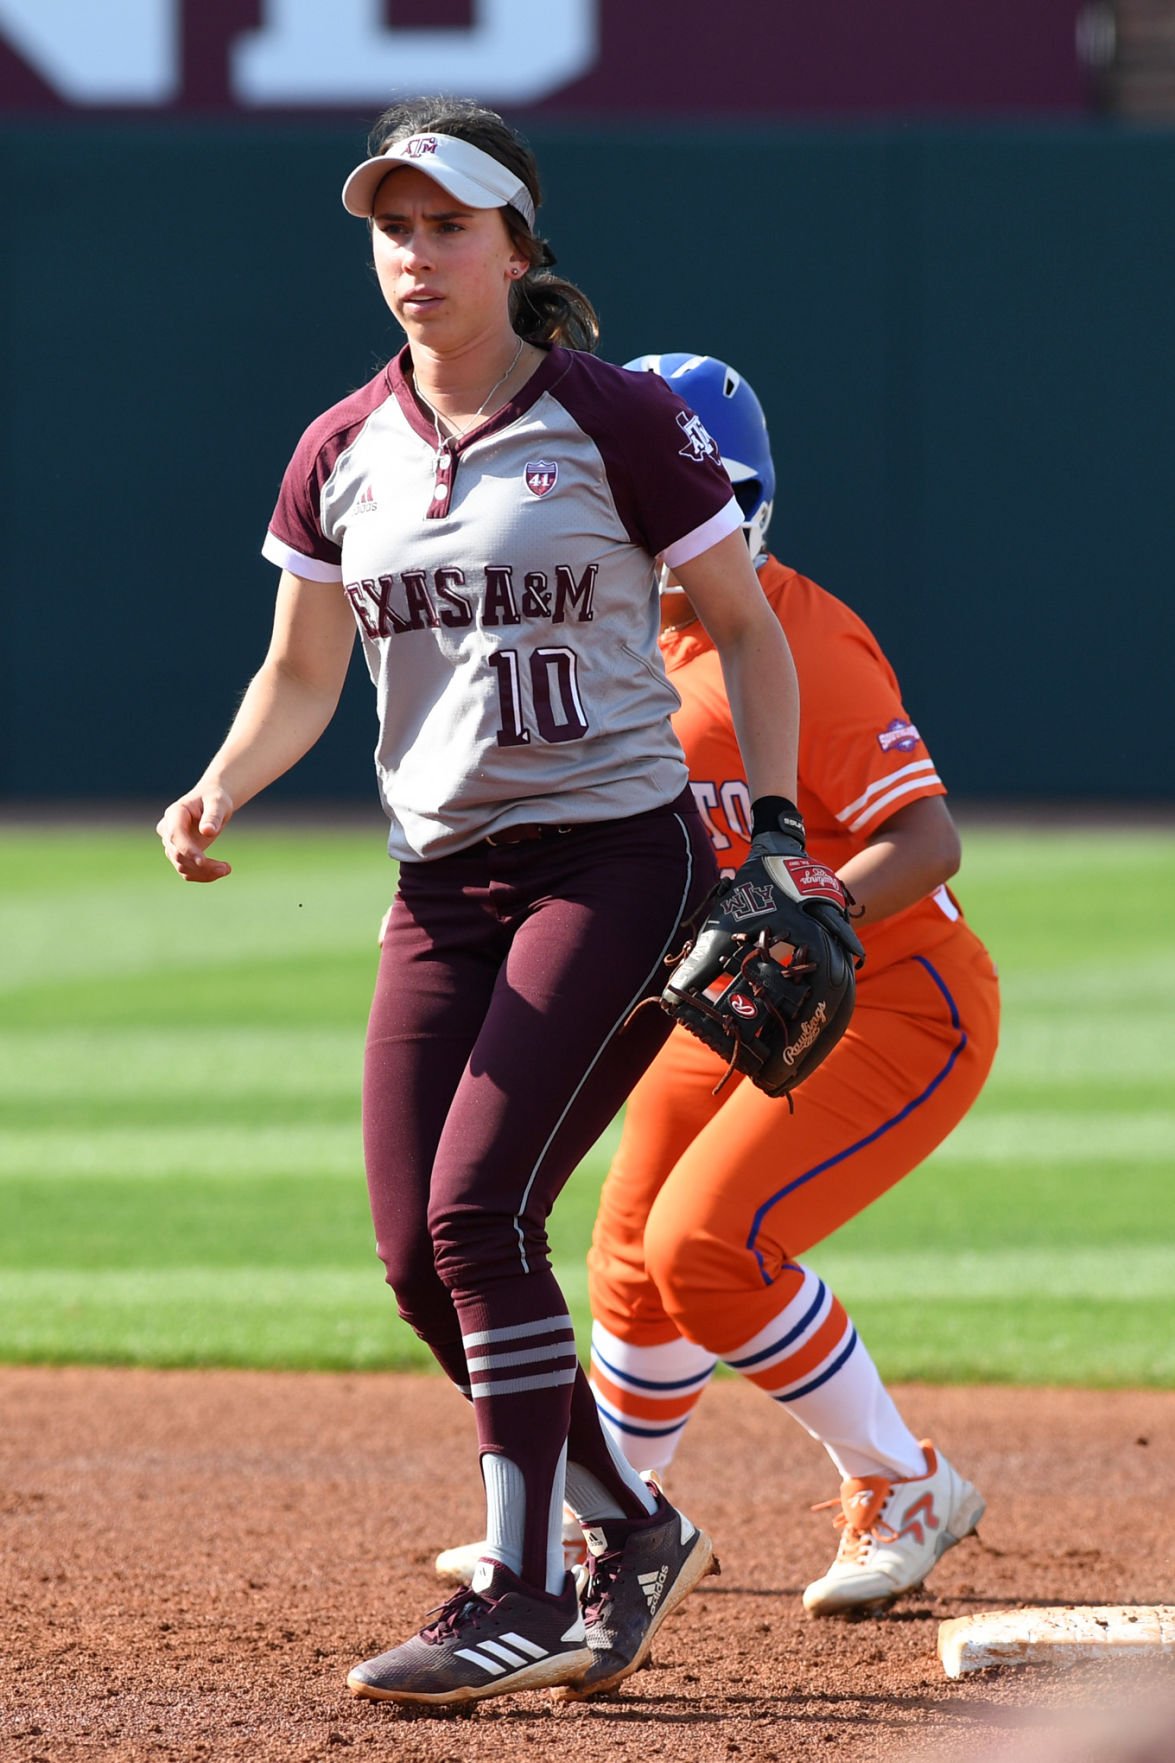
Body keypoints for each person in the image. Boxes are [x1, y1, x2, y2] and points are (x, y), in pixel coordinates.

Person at [156, 104, 809, 1707]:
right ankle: (628, 1526)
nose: (414, 255)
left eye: (446, 225)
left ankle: (520, 1590)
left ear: (518, 247)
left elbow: (740, 618)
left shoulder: (610, 418)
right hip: (440, 879)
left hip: (611, 855)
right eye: (391, 227)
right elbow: (303, 666)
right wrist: (224, 783)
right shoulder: (341, 447)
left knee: (475, 1214)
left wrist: (776, 835)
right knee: (409, 1249)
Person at [436, 353, 1000, 1618]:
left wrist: (822, 897)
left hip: (892, 1000)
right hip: (731, 1000)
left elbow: (929, 840)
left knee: (707, 1250)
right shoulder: (600, 639)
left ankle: (903, 1481)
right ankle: (623, 1517)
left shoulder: (801, 640)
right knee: (629, 1260)